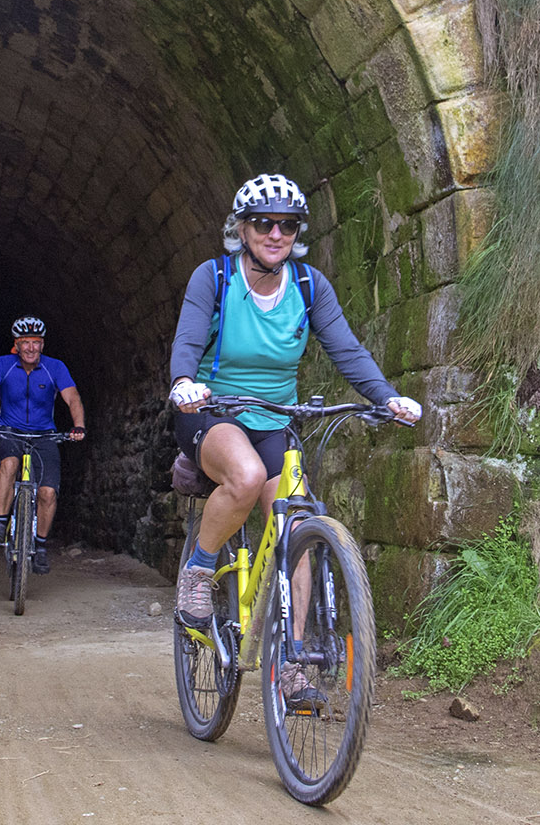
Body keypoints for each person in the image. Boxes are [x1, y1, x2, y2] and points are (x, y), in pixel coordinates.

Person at [167, 174, 423, 702]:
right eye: (264, 223)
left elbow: (346, 349)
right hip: (211, 411)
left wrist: (386, 397)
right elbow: (188, 339)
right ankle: (199, 570)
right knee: (246, 476)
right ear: (241, 228)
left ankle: (292, 662)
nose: (275, 234)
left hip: (275, 418)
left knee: (297, 525)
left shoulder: (308, 286)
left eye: (287, 225)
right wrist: (184, 383)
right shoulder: (214, 278)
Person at [0, 317, 86, 575]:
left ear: (42, 345)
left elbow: (72, 397)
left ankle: (40, 545)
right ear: (17, 345)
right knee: (9, 464)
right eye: (25, 343)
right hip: (9, 430)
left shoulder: (55, 367)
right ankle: (1, 523)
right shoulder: (3, 364)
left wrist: (78, 426)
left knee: (48, 493)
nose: (31, 348)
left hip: (44, 434)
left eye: (36, 342)